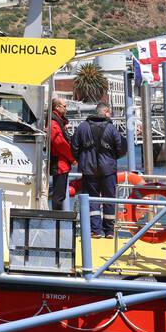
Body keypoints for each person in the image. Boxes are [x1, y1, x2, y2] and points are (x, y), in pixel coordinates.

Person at [72, 101, 128, 237]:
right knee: (110, 199)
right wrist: (112, 157)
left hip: (89, 170)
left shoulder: (82, 127)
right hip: (108, 169)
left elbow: (74, 147)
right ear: (105, 112)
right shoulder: (111, 128)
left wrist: (83, 160)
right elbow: (121, 147)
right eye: (109, 112)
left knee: (92, 199)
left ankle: (95, 230)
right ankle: (109, 231)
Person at [47, 97, 76, 210]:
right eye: (64, 106)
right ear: (57, 107)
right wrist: (72, 158)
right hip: (60, 163)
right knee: (59, 195)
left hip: (62, 162)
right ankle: (57, 220)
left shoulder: (57, 121)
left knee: (60, 194)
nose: (66, 108)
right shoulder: (54, 123)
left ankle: (58, 219)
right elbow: (60, 144)